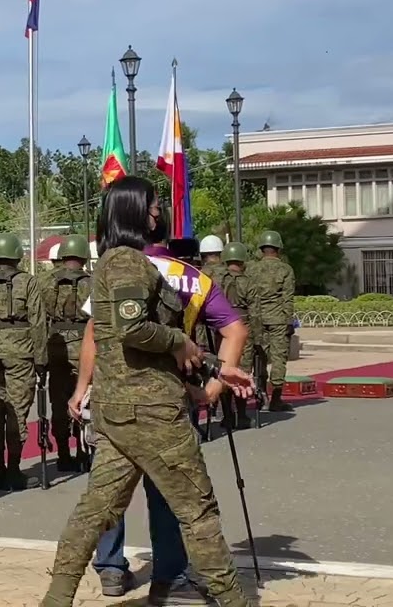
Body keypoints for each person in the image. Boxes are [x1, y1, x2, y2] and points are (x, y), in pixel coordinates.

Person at [43, 175, 254, 607]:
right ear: (134, 210)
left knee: (95, 512)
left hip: (122, 410)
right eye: (154, 204)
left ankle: (56, 599)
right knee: (198, 511)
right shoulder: (128, 262)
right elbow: (133, 327)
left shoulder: (117, 262)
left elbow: (117, 335)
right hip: (153, 412)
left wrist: (215, 367)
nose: (159, 211)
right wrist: (183, 342)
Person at [0, 232, 47, 491]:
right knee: (17, 412)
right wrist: (41, 359)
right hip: (20, 350)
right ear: (17, 254)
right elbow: (38, 322)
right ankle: (13, 470)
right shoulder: (28, 282)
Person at [41, 234, 90, 473]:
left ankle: (62, 453)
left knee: (58, 400)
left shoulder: (46, 282)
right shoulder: (91, 282)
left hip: (56, 343)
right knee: (84, 398)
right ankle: (83, 451)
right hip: (82, 344)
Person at [247, 230, 295, 412]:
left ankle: (261, 396)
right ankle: (275, 398)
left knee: (259, 357)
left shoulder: (251, 269)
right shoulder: (285, 270)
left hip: (257, 319)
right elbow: (287, 298)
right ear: (278, 248)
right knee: (278, 359)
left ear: (262, 249)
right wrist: (289, 322)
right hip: (278, 320)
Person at [218, 243, 257, 430]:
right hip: (243, 328)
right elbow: (255, 312)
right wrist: (257, 336)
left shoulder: (218, 281)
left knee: (224, 370)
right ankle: (241, 416)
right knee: (242, 372)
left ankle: (227, 416)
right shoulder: (249, 282)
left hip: (222, 329)